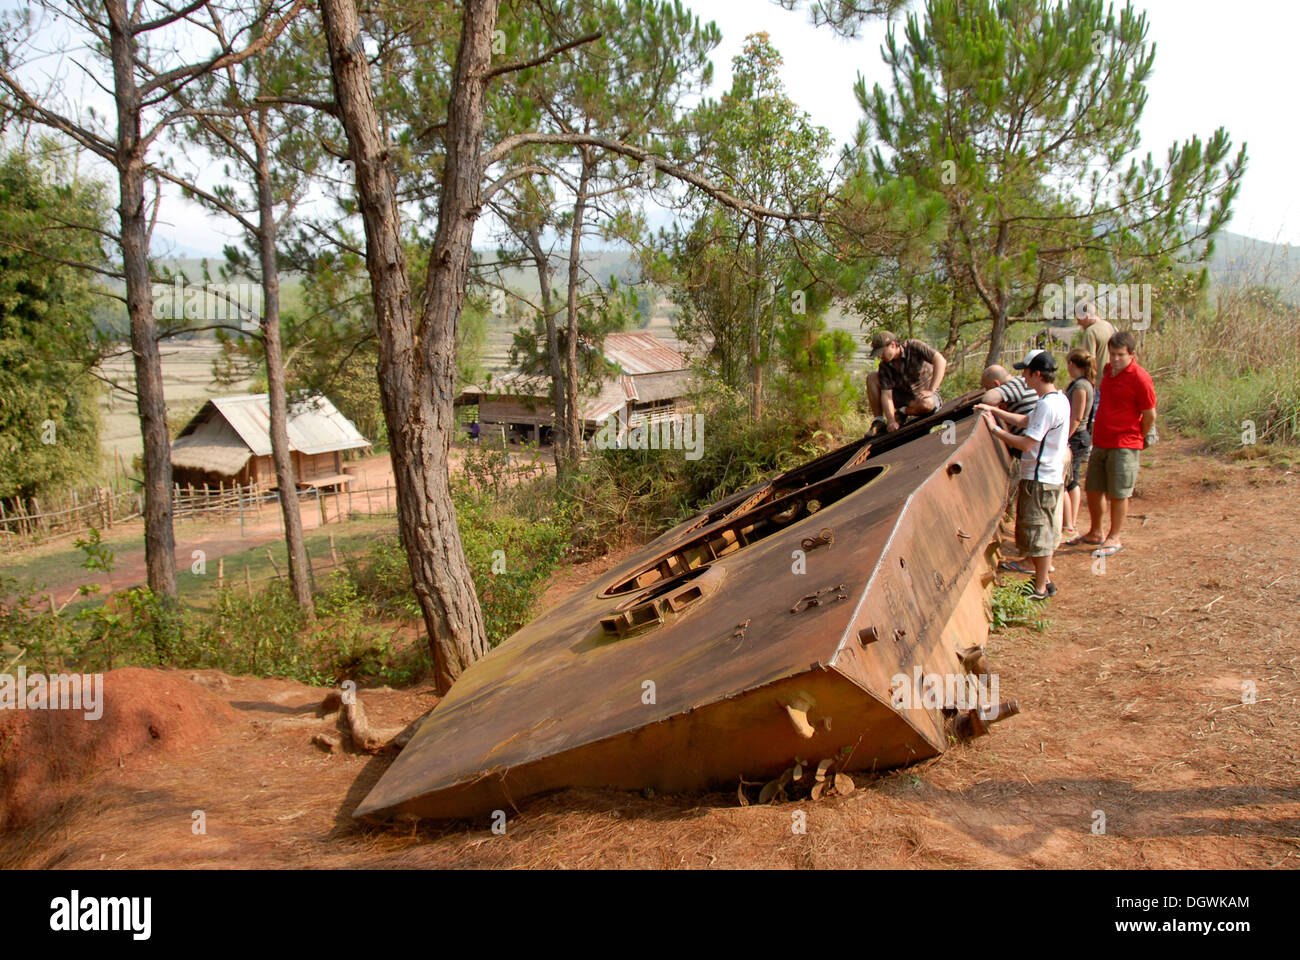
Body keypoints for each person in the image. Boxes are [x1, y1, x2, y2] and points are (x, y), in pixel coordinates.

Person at [978, 350, 1071, 600]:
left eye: (1026, 373)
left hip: (1039, 478)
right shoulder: (1057, 399)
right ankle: (1043, 581)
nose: (1022, 377)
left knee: (1038, 533)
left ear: (1037, 374)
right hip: (1049, 475)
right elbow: (1026, 419)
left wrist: (995, 430)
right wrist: (995, 411)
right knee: (1043, 531)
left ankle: (1040, 588)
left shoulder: (1049, 404)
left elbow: (1027, 443)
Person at [1071, 330, 1157, 558]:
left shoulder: (1140, 378)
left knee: (1119, 493)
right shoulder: (1108, 372)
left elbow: (1150, 414)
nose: (1116, 359)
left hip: (1125, 443)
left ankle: (1114, 536)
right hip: (1101, 441)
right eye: (1112, 354)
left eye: (1120, 355)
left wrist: (1138, 436)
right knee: (1094, 488)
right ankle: (1096, 532)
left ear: (1132, 354)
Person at [866, 331, 946, 435]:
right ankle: (879, 421)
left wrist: (931, 390)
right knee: (872, 377)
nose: (880, 356)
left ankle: (903, 412)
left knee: (927, 404)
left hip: (923, 396)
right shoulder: (885, 366)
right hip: (903, 397)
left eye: (882, 352)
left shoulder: (914, 346)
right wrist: (891, 421)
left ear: (893, 345)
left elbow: (940, 361)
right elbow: (887, 395)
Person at [1061, 348, 1096, 539]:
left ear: (1072, 364)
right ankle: (1070, 523)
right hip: (1077, 436)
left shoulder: (1081, 387)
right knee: (1072, 480)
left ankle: (1070, 525)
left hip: (1076, 437)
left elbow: (1077, 417)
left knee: (1068, 481)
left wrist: (1064, 438)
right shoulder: (1081, 384)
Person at [979, 363, 1038, 433]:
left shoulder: (1017, 384)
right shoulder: (1018, 385)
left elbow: (987, 399)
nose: (987, 391)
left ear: (996, 384)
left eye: (988, 388)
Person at [1073, 300, 1116, 384]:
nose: (1078, 323)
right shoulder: (1109, 326)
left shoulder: (1090, 332)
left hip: (1098, 383)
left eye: (1078, 319)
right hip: (1112, 380)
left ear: (1086, 316)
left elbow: (1089, 362)